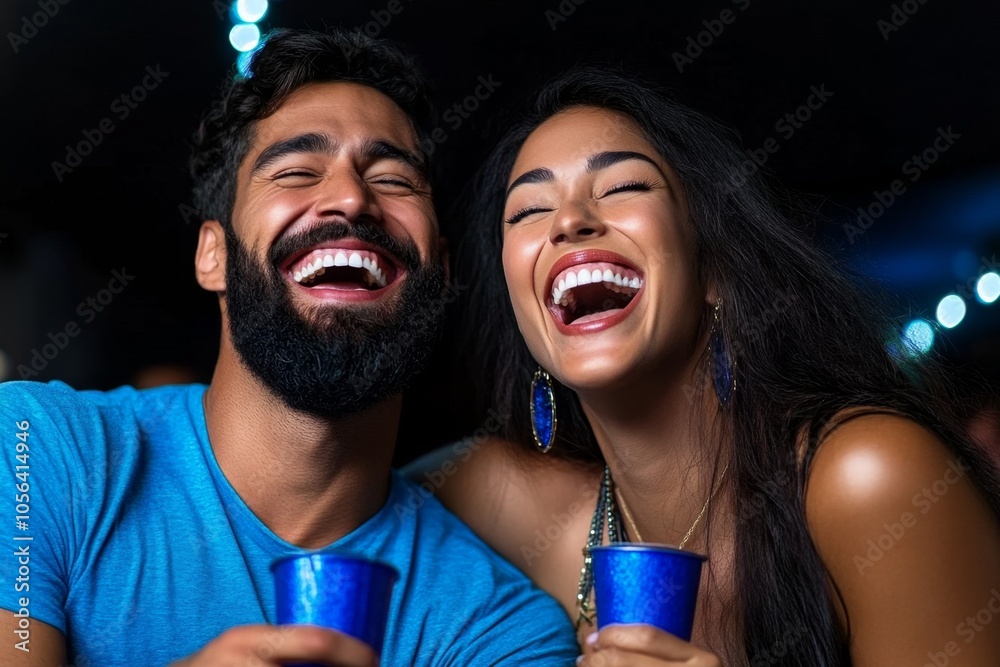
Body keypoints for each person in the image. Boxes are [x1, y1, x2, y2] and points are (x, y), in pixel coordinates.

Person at [0, 28, 579, 667]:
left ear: (440, 272)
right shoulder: (33, 448)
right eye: (298, 171)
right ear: (212, 254)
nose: (352, 198)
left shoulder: (499, 634)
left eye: (392, 179)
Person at [405, 66, 1000, 666]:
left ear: (713, 269)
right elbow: (329, 498)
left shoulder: (868, 476)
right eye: (528, 209)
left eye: (622, 188)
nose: (569, 221)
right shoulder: (500, 501)